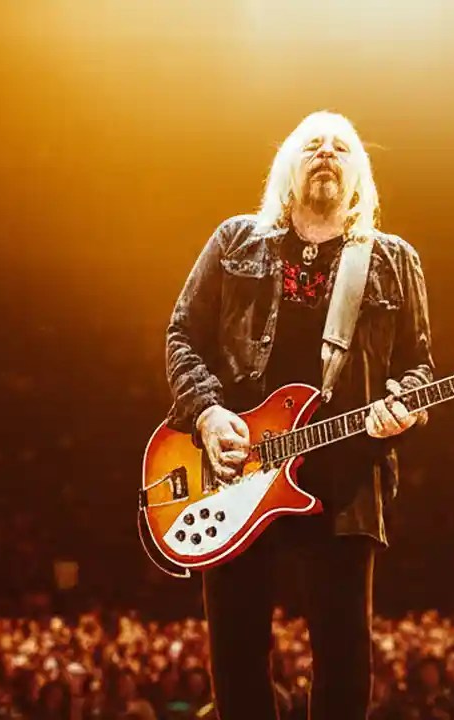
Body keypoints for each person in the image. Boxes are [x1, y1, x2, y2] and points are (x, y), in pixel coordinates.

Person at [163, 110, 436, 720]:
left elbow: (419, 365)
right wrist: (208, 415)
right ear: (287, 166)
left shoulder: (392, 259)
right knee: (236, 653)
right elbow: (182, 333)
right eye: (312, 144)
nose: (327, 152)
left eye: (342, 147)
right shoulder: (235, 240)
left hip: (344, 476)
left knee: (343, 656)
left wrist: (404, 409)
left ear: (359, 176)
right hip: (238, 470)